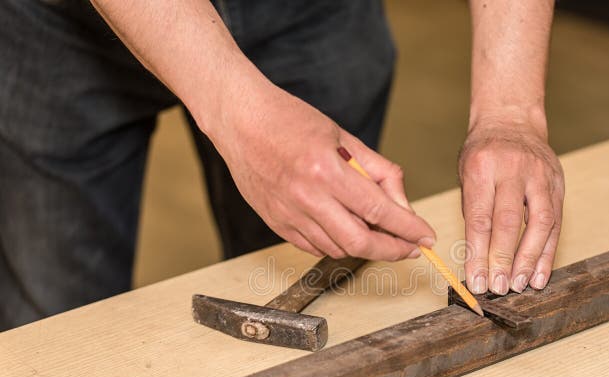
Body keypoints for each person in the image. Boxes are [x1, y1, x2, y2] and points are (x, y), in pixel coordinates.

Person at [0, 0, 564, 332]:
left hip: (312, 13)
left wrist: (509, 110)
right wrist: (236, 109)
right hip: (61, 24)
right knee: (55, 333)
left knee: (330, 292)